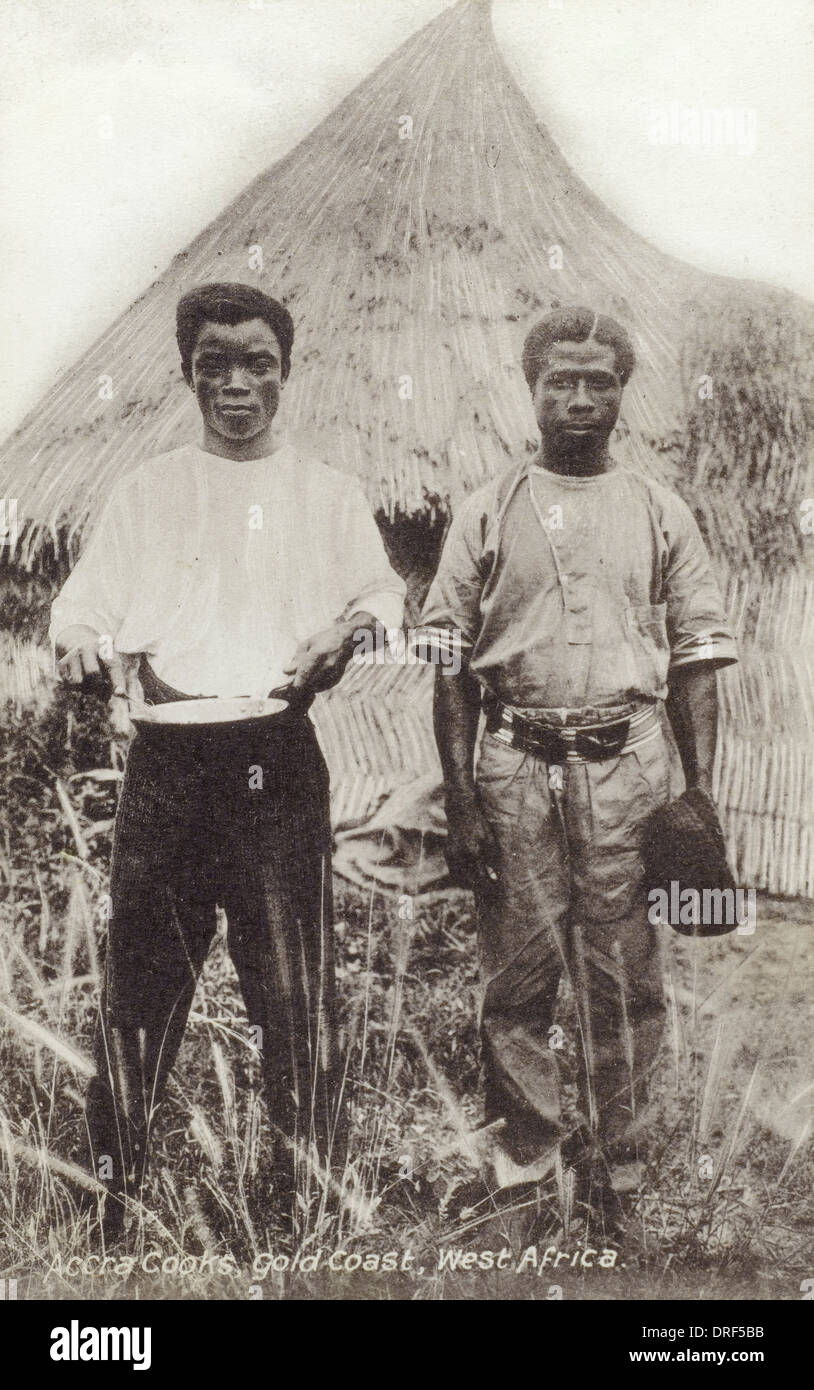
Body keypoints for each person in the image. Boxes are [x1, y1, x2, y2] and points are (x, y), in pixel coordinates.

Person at [51, 282, 405, 1235]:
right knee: (141, 987)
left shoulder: (326, 494)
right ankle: (112, 1211)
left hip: (275, 758)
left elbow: (385, 598)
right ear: (187, 374)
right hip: (168, 764)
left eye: (258, 364)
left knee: (294, 990)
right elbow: (80, 607)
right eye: (216, 365)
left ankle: (303, 1209)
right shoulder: (148, 491)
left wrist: (347, 630)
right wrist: (81, 643)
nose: (238, 385)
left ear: (287, 375)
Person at [420, 306, 737, 1229]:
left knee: (626, 977)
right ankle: (523, 1171)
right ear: (533, 388)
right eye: (563, 380)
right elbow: (445, 664)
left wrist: (701, 795)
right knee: (517, 978)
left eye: (600, 381)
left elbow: (698, 657)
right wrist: (462, 800)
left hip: (629, 765)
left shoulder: (657, 508)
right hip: (515, 764)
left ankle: (618, 1177)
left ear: (623, 393)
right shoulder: (487, 509)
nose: (581, 399)